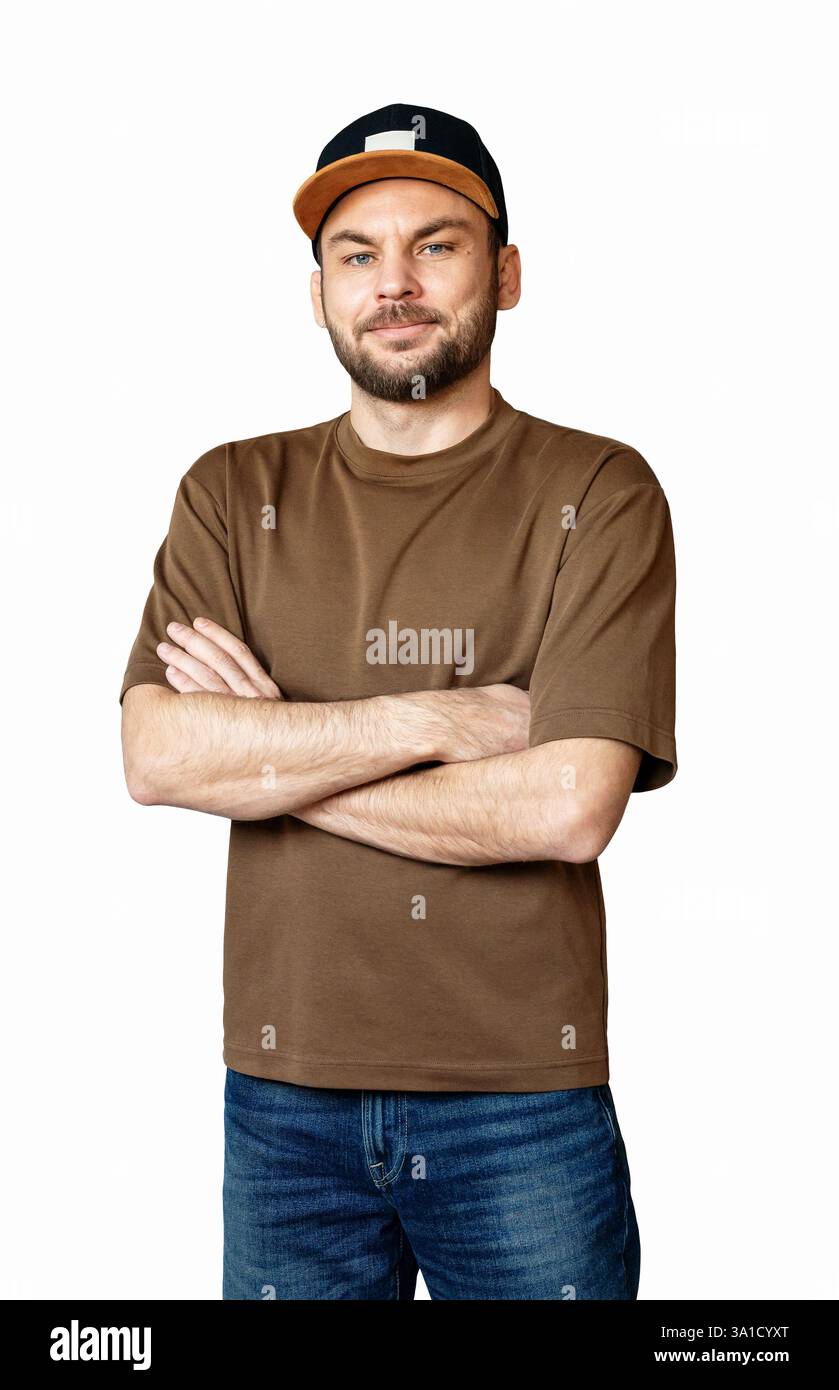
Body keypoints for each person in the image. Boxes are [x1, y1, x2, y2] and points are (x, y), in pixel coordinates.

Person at [119, 102, 678, 1300]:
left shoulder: (600, 490)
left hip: (521, 1102)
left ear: (506, 273)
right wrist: (439, 719)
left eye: (436, 244)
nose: (394, 283)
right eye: (355, 254)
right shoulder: (230, 491)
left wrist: (271, 756)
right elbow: (158, 756)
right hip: (282, 1101)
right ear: (316, 290)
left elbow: (570, 806)